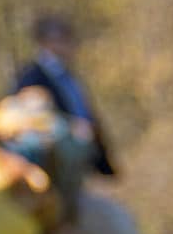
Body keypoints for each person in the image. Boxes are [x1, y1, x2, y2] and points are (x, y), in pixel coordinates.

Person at [13, 14, 118, 178]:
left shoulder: (68, 76)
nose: (71, 45)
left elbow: (87, 118)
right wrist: (69, 127)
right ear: (48, 42)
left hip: (80, 165)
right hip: (50, 171)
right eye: (64, 39)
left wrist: (105, 166)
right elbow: (25, 122)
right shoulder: (31, 77)